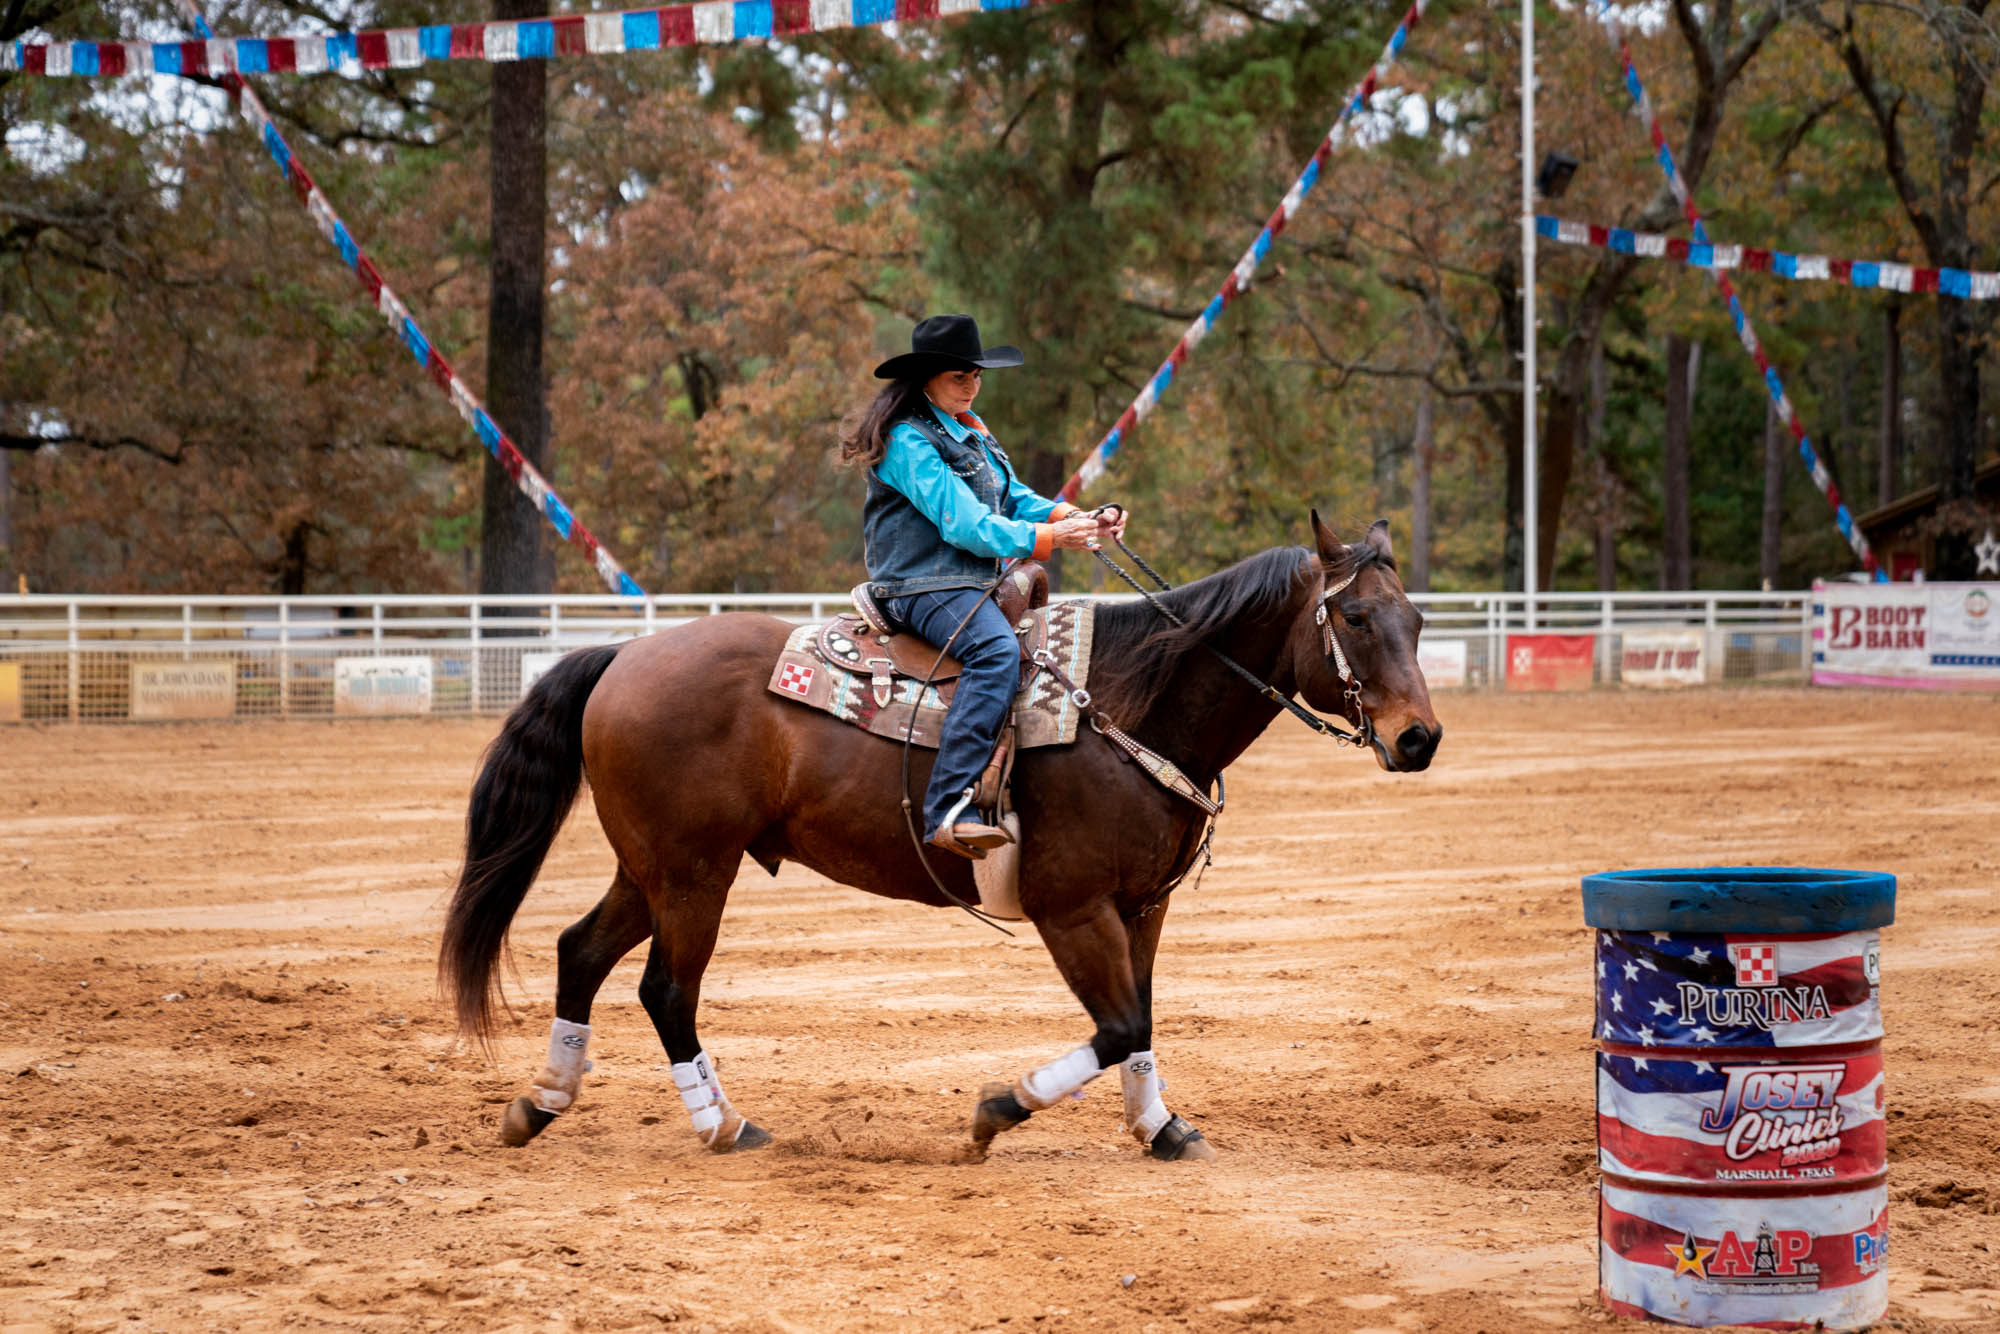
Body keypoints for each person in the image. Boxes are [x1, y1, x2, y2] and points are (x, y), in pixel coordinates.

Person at [839, 314, 1125, 861]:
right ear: (925, 378)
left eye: (976, 374)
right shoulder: (907, 440)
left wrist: (1078, 516)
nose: (970, 384)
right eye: (958, 376)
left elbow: (1013, 495)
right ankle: (948, 805)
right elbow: (964, 524)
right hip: (921, 584)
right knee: (995, 652)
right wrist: (1051, 538)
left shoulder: (969, 428)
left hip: (967, 583)